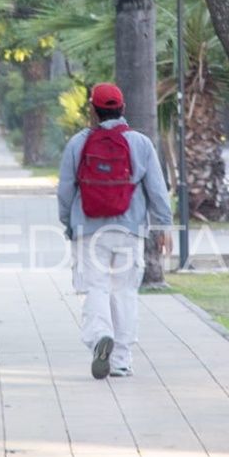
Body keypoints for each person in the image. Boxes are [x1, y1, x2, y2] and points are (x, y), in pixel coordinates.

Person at [57, 82, 172, 380]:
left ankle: (99, 337)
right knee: (124, 291)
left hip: (88, 229)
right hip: (129, 229)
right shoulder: (140, 144)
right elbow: (157, 190)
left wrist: (68, 223)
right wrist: (163, 225)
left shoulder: (78, 143)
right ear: (123, 109)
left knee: (94, 287)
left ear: (93, 110)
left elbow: (65, 191)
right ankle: (121, 360)